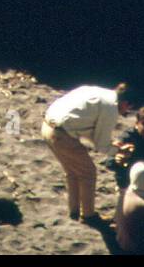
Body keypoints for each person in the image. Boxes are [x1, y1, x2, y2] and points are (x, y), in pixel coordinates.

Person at [42, 81, 138, 224]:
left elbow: (85, 124)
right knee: (88, 173)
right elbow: (101, 146)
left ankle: (74, 211)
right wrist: (118, 151)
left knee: (73, 172)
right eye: (128, 109)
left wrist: (112, 144)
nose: (125, 113)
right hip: (62, 135)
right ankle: (88, 216)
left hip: (47, 127)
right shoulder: (110, 108)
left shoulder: (95, 91)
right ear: (126, 103)